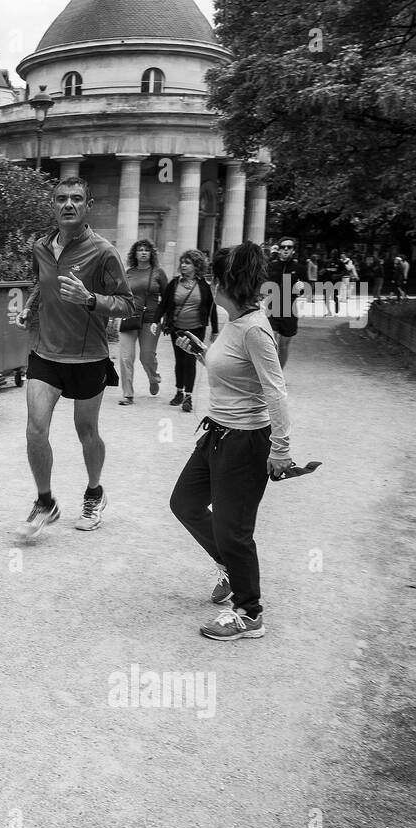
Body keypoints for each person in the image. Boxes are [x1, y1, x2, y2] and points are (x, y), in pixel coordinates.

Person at [169, 241, 298, 640]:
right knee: (186, 503)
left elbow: (275, 390)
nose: (210, 283)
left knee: (233, 528)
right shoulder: (235, 323)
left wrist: (281, 448)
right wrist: (203, 352)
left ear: (225, 283)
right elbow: (233, 370)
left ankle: (249, 613)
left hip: (246, 441)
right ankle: (228, 565)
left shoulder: (256, 329)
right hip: (217, 433)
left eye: (214, 278)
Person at [15, 176, 135, 537]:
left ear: (88, 206)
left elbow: (128, 304)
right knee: (35, 430)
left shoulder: (103, 252)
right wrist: (30, 307)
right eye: (61, 198)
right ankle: (45, 501)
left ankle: (94, 492)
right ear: (52, 205)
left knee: (87, 432)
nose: (68, 204)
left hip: (88, 358)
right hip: (45, 355)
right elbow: (42, 283)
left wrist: (90, 299)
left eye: (77, 199)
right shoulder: (39, 247)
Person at [158, 249, 218, 413]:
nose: (183, 265)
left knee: (190, 360)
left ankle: (188, 397)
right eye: (182, 262)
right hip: (176, 328)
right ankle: (179, 392)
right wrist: (156, 320)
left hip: (197, 328)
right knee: (179, 360)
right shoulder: (174, 283)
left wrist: (215, 329)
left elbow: (211, 308)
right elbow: (164, 304)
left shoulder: (203, 286)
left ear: (196, 266)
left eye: (187, 263)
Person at [118, 239, 166, 405]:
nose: (143, 252)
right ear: (135, 253)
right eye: (140, 250)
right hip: (130, 318)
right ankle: (128, 394)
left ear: (151, 253)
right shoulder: (128, 272)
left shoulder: (158, 273)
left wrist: (165, 318)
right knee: (125, 357)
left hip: (151, 321)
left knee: (146, 356)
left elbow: (166, 299)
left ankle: (153, 378)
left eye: (146, 250)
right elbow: (120, 294)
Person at [265, 236, 303, 369]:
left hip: (290, 311)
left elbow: (307, 287)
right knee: (270, 344)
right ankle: (270, 374)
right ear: (279, 250)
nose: (286, 249)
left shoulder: (298, 268)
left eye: (289, 247)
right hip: (272, 309)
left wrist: (302, 289)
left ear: (293, 251)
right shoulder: (271, 266)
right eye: (283, 247)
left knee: (283, 346)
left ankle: (279, 375)